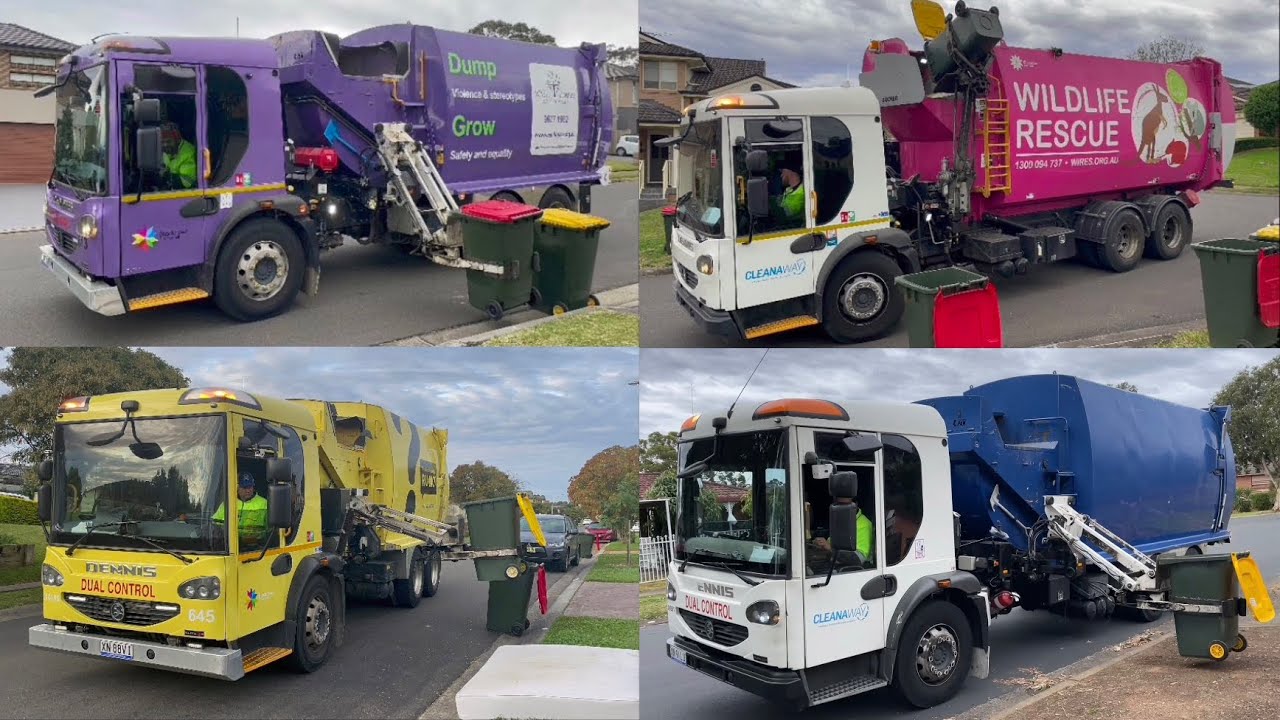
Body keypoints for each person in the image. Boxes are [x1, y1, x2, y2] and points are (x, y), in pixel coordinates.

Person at [805, 495, 873, 574]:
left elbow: (858, 559)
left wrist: (830, 548)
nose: (842, 508)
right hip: (836, 566)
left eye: (845, 505)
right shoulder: (841, 520)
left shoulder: (864, 524)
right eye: (839, 505)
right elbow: (830, 547)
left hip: (855, 572)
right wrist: (820, 546)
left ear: (855, 504)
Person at [213, 473, 268, 547]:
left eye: (250, 487)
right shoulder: (228, 502)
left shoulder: (264, 503)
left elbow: (270, 530)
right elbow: (215, 523)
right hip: (229, 546)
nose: (248, 490)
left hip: (255, 547)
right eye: (244, 487)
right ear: (237, 487)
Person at [160, 121, 197, 190]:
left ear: (177, 139)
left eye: (168, 141)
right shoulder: (169, 150)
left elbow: (187, 183)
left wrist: (168, 176)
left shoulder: (188, 153)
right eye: (162, 142)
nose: (165, 145)